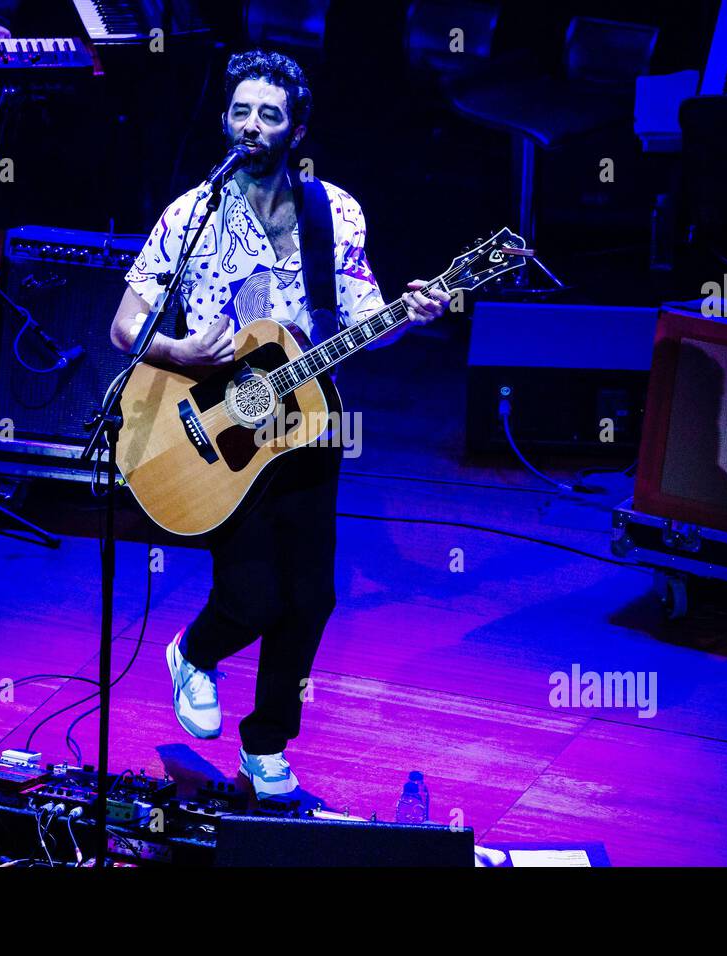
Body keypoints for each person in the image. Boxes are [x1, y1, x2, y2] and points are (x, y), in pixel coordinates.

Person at [109, 49, 449, 798]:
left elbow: (363, 321)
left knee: (311, 599)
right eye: (241, 111)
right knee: (255, 597)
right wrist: (175, 347)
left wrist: (410, 313)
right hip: (213, 429)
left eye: (269, 114)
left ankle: (265, 746)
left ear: (296, 128)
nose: (252, 125)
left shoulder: (338, 212)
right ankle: (192, 653)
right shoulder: (192, 214)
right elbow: (124, 323)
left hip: (307, 423)